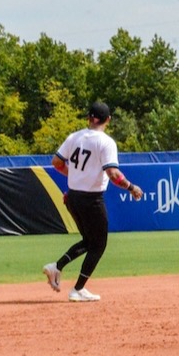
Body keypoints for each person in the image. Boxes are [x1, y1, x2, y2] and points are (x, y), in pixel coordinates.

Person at [43, 101, 143, 302]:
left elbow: (56, 162)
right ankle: (78, 289)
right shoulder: (105, 142)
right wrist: (132, 187)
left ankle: (56, 267)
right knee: (99, 244)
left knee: (90, 241)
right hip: (91, 199)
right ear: (108, 120)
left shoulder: (75, 137)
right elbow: (113, 173)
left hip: (72, 197)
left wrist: (76, 177)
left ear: (89, 118)